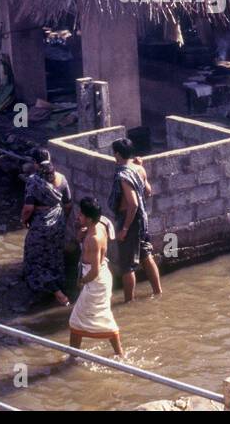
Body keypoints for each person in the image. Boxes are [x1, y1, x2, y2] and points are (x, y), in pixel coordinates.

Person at [110, 138, 163, 302]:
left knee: (127, 265)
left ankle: (128, 302)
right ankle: (158, 292)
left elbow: (132, 204)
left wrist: (125, 229)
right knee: (146, 255)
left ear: (117, 154)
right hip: (142, 219)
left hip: (130, 220)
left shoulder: (123, 175)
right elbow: (148, 192)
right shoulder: (139, 169)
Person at [68, 198, 122, 357]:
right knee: (103, 316)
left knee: (76, 320)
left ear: (90, 219)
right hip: (102, 278)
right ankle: (119, 354)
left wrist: (81, 282)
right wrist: (81, 235)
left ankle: (72, 357)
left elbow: (95, 271)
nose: (79, 216)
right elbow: (109, 227)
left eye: (82, 215)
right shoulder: (102, 223)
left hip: (95, 281)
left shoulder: (93, 239)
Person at [22, 149, 73, 305]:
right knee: (55, 256)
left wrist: (23, 220)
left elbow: (28, 208)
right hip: (58, 220)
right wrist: (62, 218)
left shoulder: (33, 180)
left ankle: (56, 293)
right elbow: (68, 204)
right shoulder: (62, 178)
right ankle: (59, 287)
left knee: (35, 258)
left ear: (36, 164)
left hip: (40, 224)